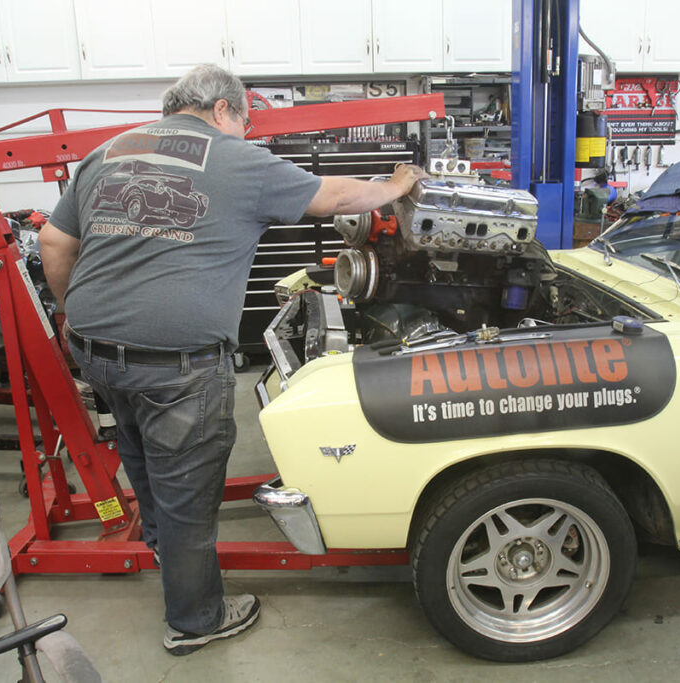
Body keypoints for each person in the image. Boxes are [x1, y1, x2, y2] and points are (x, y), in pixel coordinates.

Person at [38, 64, 428, 656]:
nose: (246, 132)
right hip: (177, 365)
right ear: (222, 109)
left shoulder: (110, 151)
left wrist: (76, 313)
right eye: (246, 121)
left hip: (95, 351)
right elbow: (335, 197)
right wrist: (396, 185)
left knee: (141, 456)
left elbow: (53, 242)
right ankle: (195, 620)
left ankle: (167, 554)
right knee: (188, 490)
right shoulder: (233, 157)